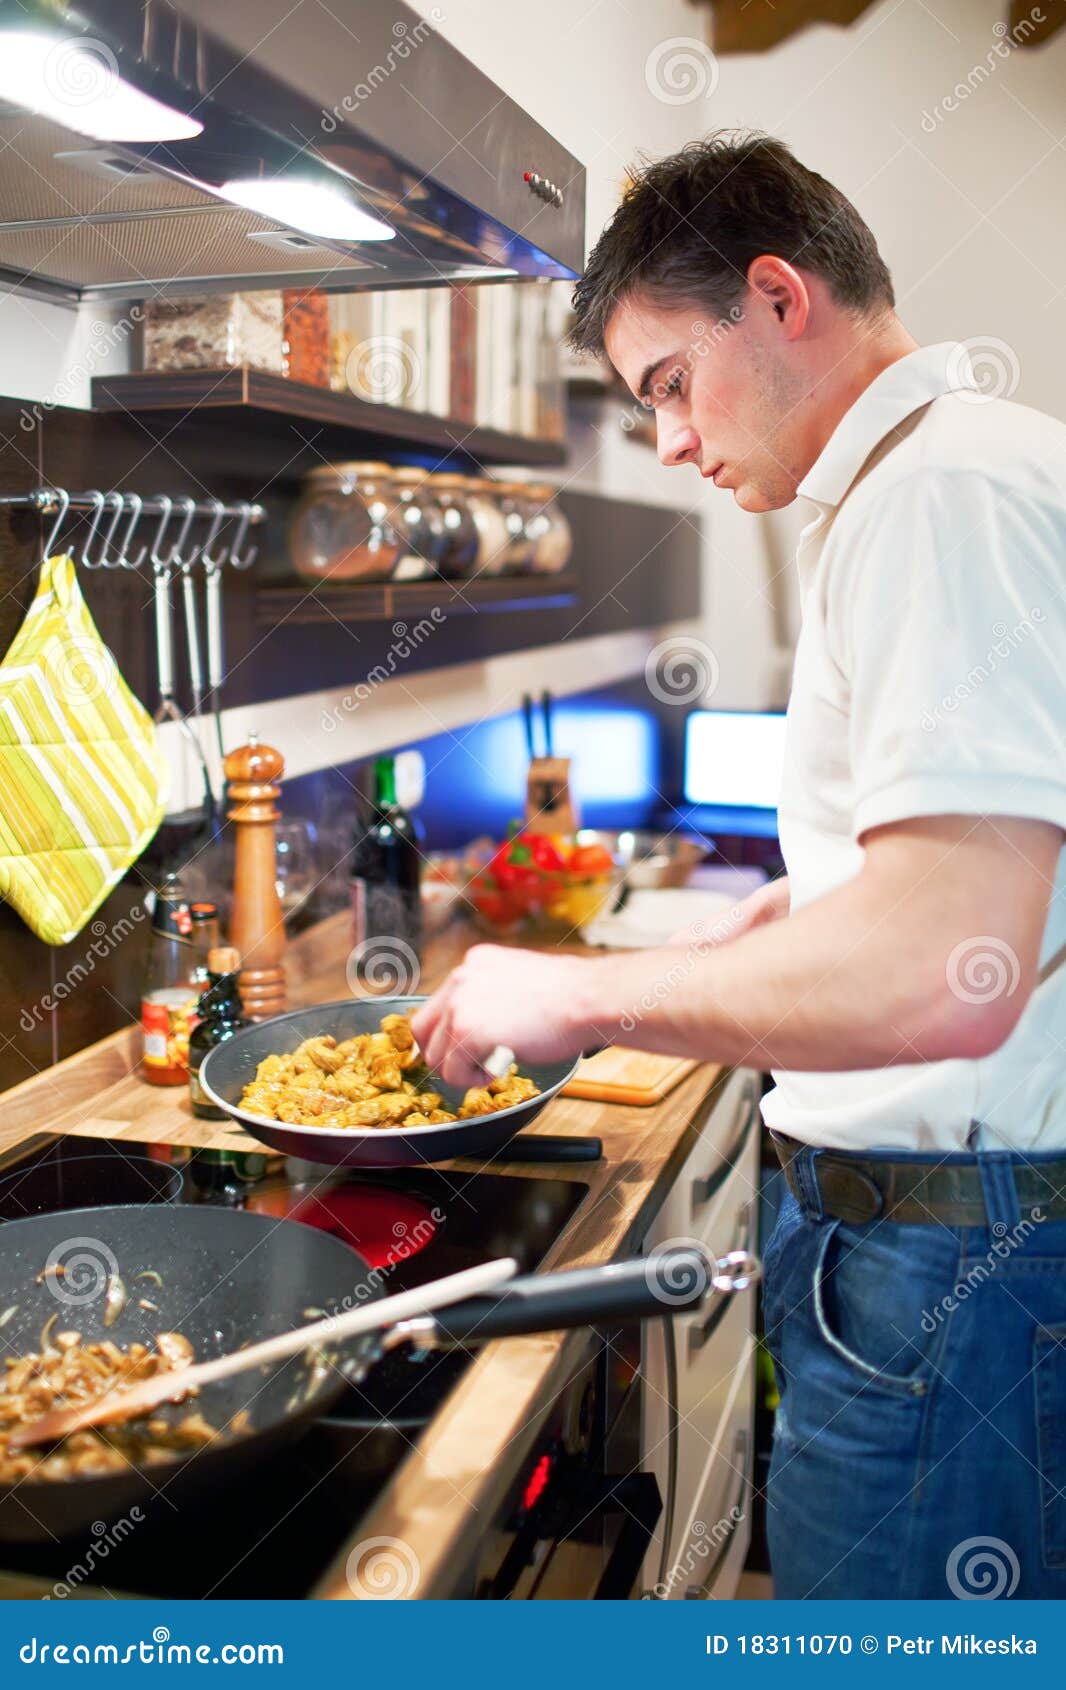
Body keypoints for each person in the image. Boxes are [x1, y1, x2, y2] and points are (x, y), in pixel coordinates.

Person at [412, 132, 1066, 1599]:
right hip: (960, 1255)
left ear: (775, 298)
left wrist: (583, 999)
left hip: (954, 1276)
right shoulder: (947, 471)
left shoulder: (933, 499)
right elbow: (968, 887)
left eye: (666, 384)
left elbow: (942, 970)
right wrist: (795, 914)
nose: (671, 443)